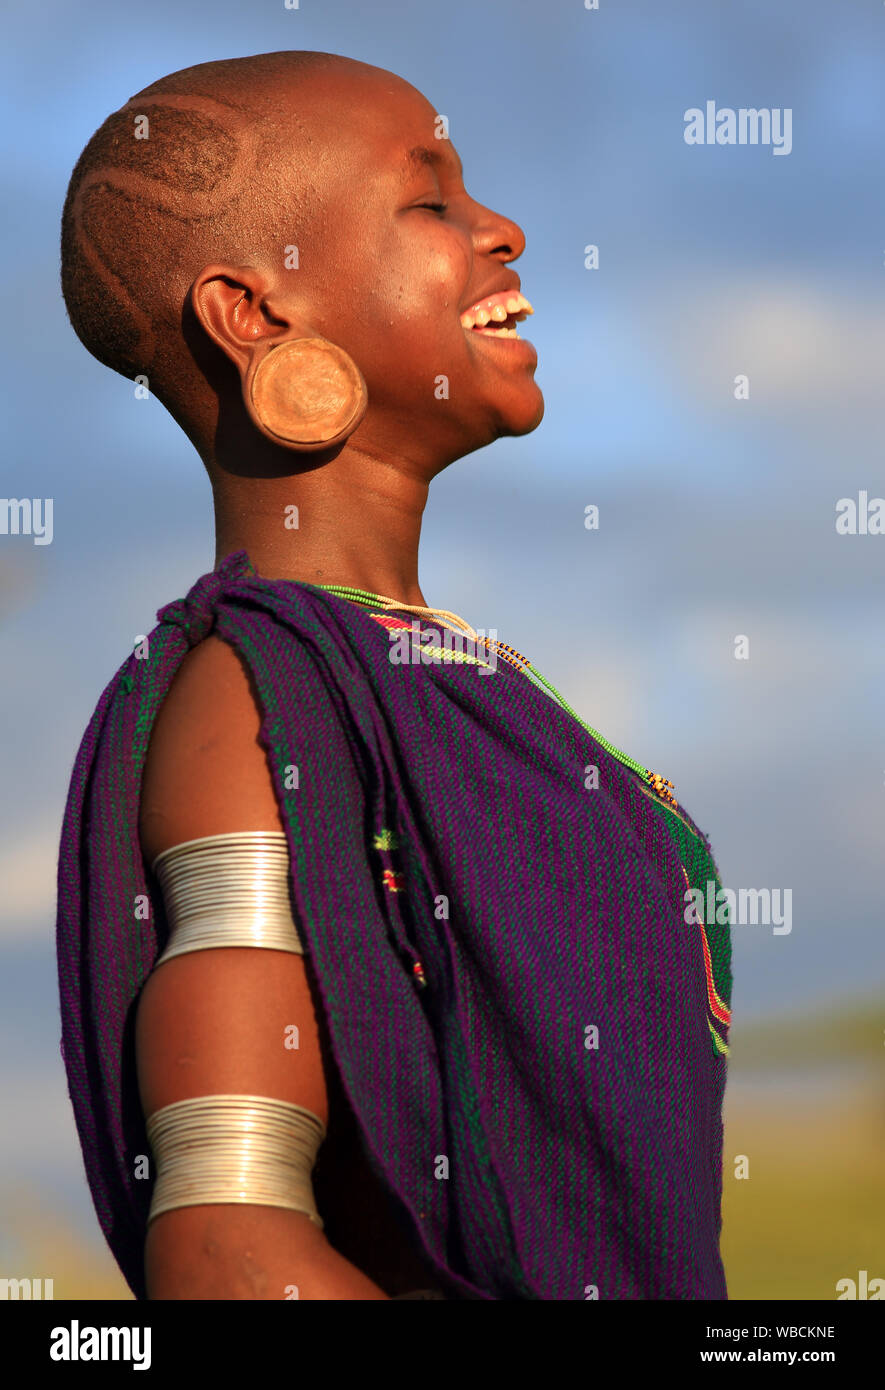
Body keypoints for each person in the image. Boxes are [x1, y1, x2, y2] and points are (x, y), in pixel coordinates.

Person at [56, 50, 732, 1301]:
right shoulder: (262, 695)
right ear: (256, 316)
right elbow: (224, 1248)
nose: (503, 230)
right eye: (431, 200)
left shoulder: (410, 673)